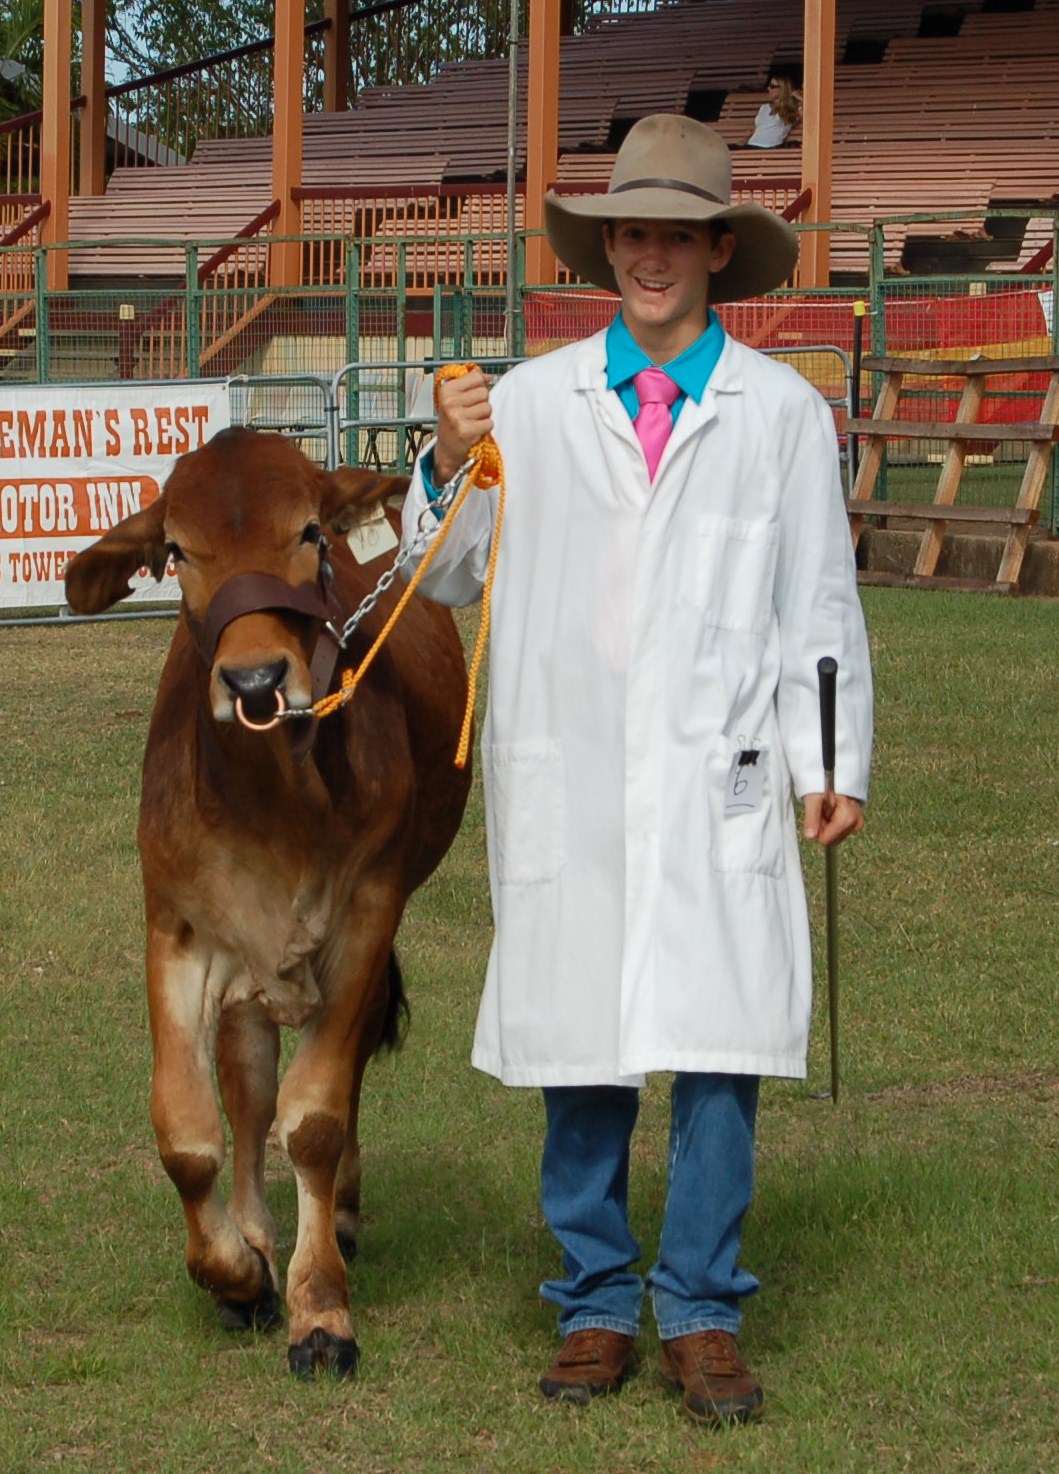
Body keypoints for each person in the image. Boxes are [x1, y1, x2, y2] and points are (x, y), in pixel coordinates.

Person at [399, 114, 872, 1429]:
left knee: (720, 1037)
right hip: (574, 757)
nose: (650, 256)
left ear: (719, 250)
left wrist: (829, 758)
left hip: (720, 768)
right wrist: (446, 458)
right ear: (604, 248)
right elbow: (444, 572)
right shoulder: (525, 406)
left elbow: (815, 603)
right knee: (583, 1042)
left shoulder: (782, 416)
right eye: (630, 234)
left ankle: (702, 1304)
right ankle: (596, 1296)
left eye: (676, 234)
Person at [747, 76, 801, 148]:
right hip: (751, 146)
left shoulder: (791, 109)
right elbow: (756, 130)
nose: (768, 88)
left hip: (770, 148)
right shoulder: (764, 107)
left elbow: (811, 111)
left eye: (772, 86)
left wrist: (798, 97)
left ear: (782, 89)